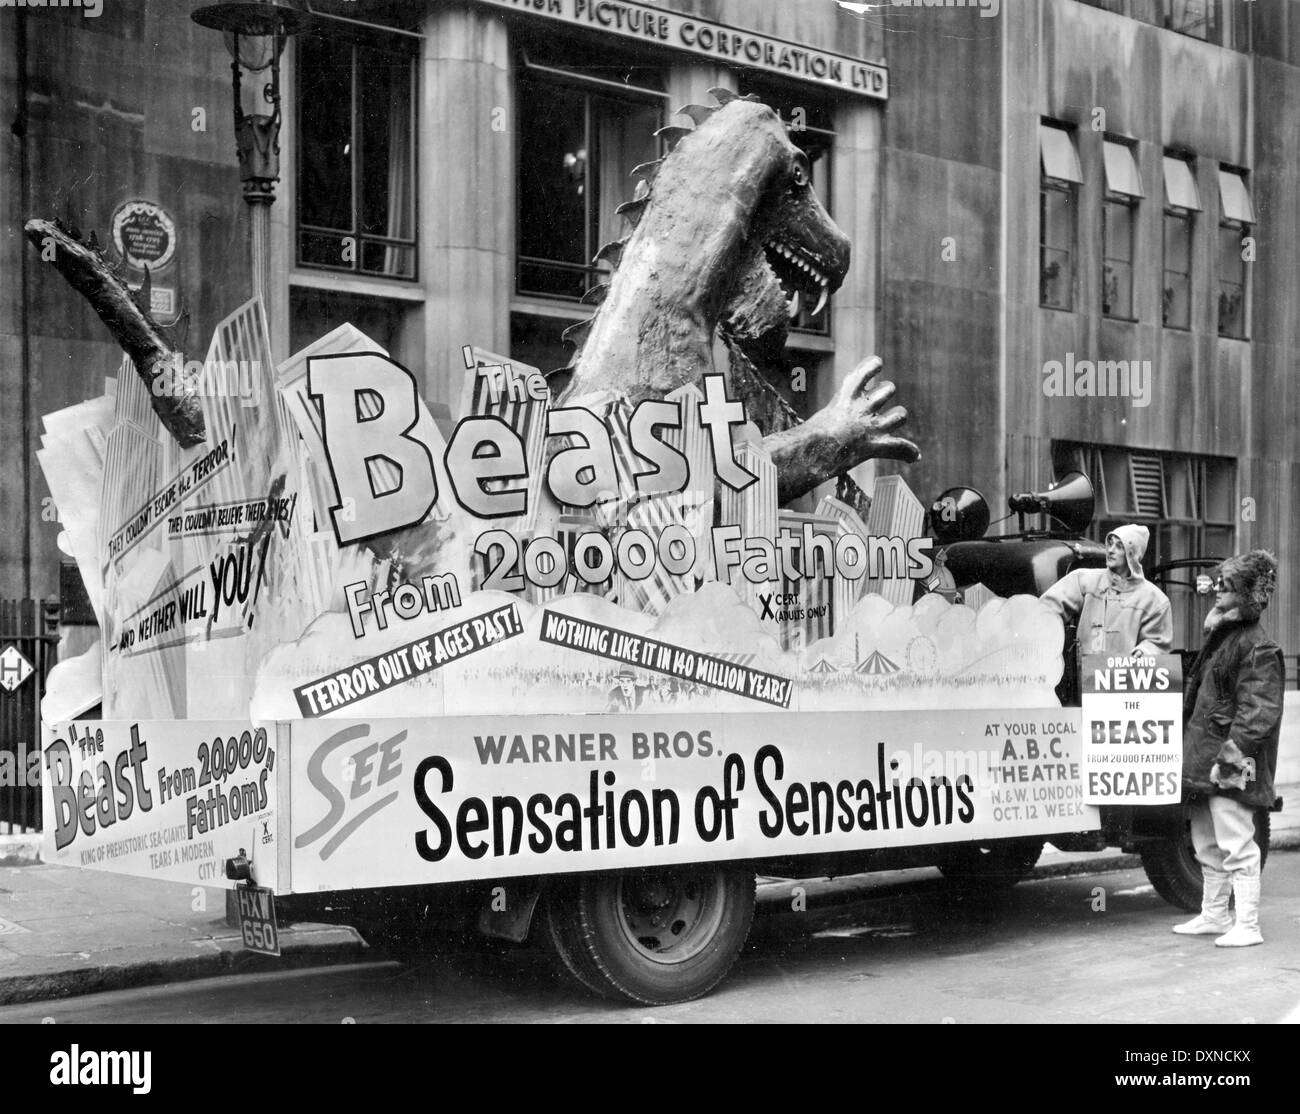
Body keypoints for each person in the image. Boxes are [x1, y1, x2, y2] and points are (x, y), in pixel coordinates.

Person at [1174, 550, 1283, 947]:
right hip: (1207, 755)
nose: (1216, 589)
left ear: (1245, 594)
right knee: (1206, 840)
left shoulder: (1257, 646)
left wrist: (1232, 754)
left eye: (1226, 585)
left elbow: (1260, 710)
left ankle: (1248, 925)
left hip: (1232, 758)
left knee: (1236, 841)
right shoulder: (1224, 637)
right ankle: (1216, 915)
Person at [1041, 523, 1173, 656]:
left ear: (1131, 554)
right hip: (1084, 673)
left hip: (1126, 675)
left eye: (1119, 546)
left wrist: (1144, 652)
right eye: (1110, 543)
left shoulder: (1155, 600)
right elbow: (1046, 610)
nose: (1110, 550)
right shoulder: (1083, 580)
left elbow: (1157, 643)